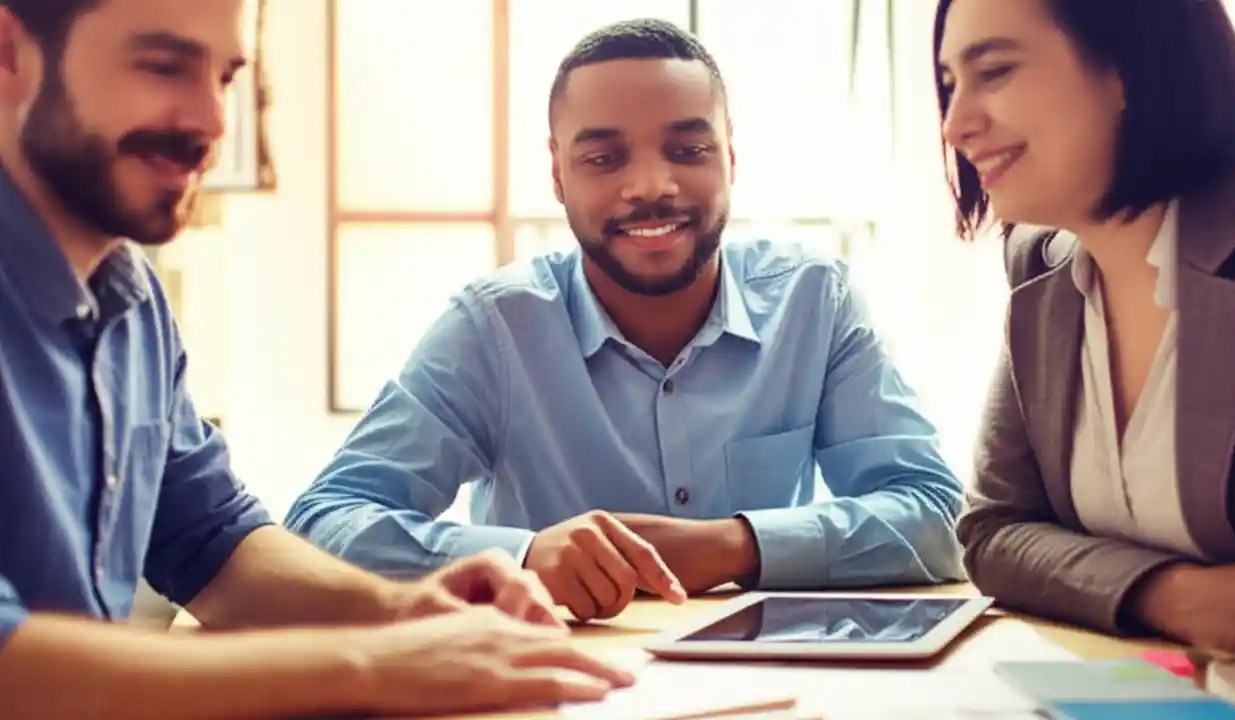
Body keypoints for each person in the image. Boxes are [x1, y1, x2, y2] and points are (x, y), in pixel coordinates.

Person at [0, 1, 633, 717]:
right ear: (10, 53)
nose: (213, 120)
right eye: (163, 66)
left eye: (227, 76)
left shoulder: (134, 299)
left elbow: (214, 544)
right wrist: (367, 665)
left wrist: (402, 613)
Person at [286, 18, 965, 623]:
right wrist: (521, 557)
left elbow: (937, 514)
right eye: (604, 158)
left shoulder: (815, 301)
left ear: (731, 156)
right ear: (557, 174)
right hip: (547, 683)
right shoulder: (493, 328)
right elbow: (323, 523)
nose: (650, 186)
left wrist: (734, 544)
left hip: (777, 683)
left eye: (687, 150)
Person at [936, 0, 1235, 652]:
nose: (955, 125)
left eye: (996, 71)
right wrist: (1171, 595)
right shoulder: (1039, 263)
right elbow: (994, 530)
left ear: (1130, 65)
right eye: (951, 84)